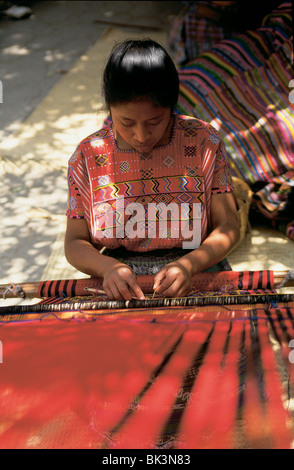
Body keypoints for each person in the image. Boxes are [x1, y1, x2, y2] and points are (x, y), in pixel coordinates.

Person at [64, 39, 240, 301]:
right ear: (109, 108)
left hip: (196, 271)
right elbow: (74, 242)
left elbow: (228, 226)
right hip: (119, 282)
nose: (141, 135)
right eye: (126, 122)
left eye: (154, 121)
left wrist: (188, 265)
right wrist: (108, 267)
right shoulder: (88, 156)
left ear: (171, 107)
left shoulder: (204, 142)